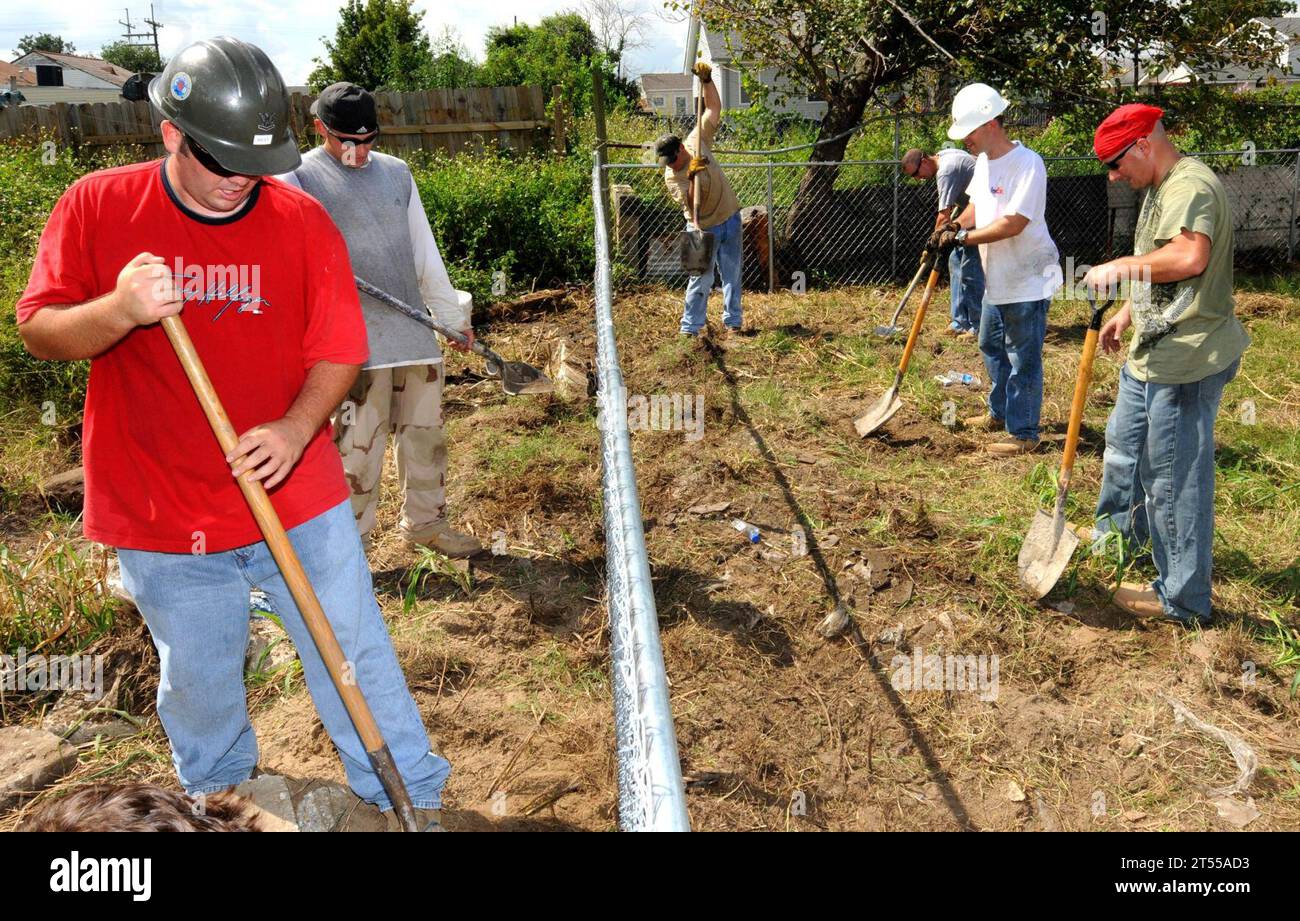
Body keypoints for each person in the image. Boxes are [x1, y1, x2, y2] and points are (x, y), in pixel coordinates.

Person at [15, 37, 448, 831]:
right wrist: (119, 309)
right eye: (223, 163)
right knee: (200, 678)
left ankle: (412, 796)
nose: (242, 182)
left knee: (352, 651)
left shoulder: (301, 220)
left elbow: (341, 348)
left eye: (259, 163)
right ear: (172, 134)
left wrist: (293, 427)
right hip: (160, 505)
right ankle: (219, 809)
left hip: (297, 493)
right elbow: (41, 329)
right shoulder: (97, 206)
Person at [277, 82, 480, 557]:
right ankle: (352, 549)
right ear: (319, 128)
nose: (359, 151)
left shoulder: (396, 173)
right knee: (356, 453)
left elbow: (424, 253)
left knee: (425, 439)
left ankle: (427, 526)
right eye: (348, 141)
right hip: (350, 348)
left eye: (369, 140)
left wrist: (450, 317)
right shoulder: (298, 178)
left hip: (412, 335)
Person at [1080, 104, 1249, 625]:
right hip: (1152, 348)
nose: (1114, 176)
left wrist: (1121, 267)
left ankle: (1183, 599)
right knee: (1124, 450)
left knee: (1173, 481)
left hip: (1187, 359)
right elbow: (1163, 265)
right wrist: (1130, 311)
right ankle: (1116, 540)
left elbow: (1189, 257)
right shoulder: (1159, 184)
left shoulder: (1189, 185)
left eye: (1115, 163)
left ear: (1143, 146)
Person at [936, 83, 1062, 456]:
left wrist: (963, 242)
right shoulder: (986, 163)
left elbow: (1014, 223)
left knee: (1023, 357)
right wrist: (955, 225)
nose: (966, 141)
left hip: (1028, 278)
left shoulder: (1028, 164)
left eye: (969, 132)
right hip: (998, 277)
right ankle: (1001, 411)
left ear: (991, 123)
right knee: (990, 342)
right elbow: (977, 206)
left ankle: (1023, 432)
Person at [654, 61, 749, 342]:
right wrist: (691, 174)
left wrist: (707, 81)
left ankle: (733, 323)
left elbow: (713, 109)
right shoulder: (672, 177)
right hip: (700, 229)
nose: (670, 165)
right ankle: (690, 328)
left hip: (730, 218)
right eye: (666, 162)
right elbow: (690, 204)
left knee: (732, 274)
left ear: (681, 148)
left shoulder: (697, 140)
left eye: (673, 159)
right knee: (700, 279)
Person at [902, 146, 985, 339]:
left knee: (970, 269)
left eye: (916, 173)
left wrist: (931, 244)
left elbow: (943, 218)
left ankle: (978, 326)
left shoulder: (945, 171)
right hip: (967, 215)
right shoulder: (943, 155)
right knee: (955, 261)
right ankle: (959, 322)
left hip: (982, 215)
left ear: (924, 161)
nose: (917, 179)